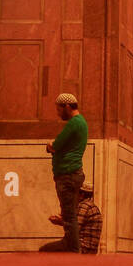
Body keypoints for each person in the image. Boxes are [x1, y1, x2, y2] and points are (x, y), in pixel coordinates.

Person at [43, 92, 87, 252]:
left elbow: (55, 145)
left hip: (67, 174)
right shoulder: (81, 122)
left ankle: (73, 250)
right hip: (74, 173)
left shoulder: (74, 123)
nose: (57, 113)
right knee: (70, 216)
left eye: (59, 109)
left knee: (69, 218)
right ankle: (70, 244)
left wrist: (50, 145)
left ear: (67, 107)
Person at [42, 181, 102, 253]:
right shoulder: (92, 206)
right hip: (89, 249)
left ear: (81, 195)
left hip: (81, 248)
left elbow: (74, 229)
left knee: (45, 249)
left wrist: (60, 221)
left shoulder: (84, 206)